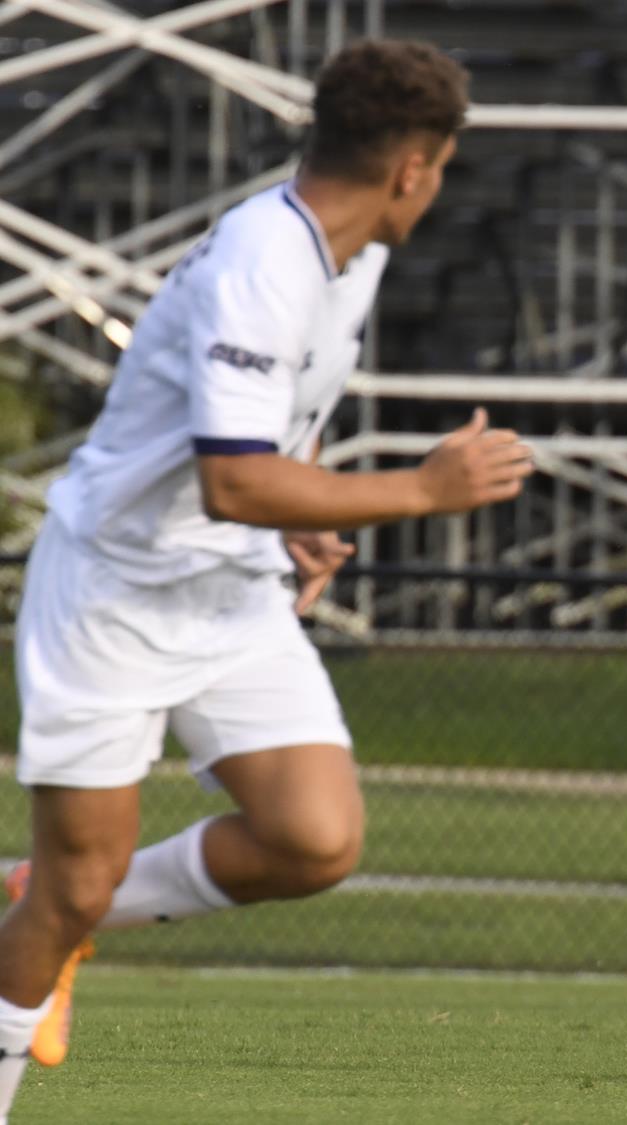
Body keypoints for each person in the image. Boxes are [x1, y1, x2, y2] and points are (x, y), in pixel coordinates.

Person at [0, 39, 533, 1118]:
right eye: (442, 170)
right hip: (113, 591)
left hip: (230, 583)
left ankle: (36, 908)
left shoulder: (351, 259)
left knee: (313, 837)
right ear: (412, 170)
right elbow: (236, 481)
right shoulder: (264, 262)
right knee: (78, 882)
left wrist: (310, 514)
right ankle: (42, 931)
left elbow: (260, 459)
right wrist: (418, 492)